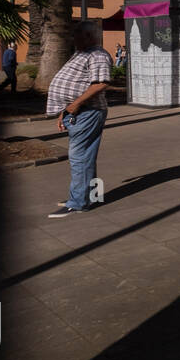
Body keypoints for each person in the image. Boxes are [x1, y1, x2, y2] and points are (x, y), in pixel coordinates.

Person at [46, 21, 114, 218]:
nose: (73, 39)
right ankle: (89, 196)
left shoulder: (97, 55)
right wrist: (64, 111)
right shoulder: (84, 53)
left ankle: (77, 202)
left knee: (79, 157)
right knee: (85, 156)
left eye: (76, 35)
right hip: (78, 111)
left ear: (89, 36)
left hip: (87, 112)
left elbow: (101, 83)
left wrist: (75, 105)